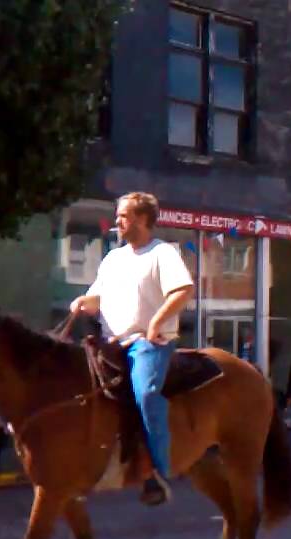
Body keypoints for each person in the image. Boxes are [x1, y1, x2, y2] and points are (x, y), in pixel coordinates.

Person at [69, 191, 194, 506]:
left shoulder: (162, 253)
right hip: (111, 342)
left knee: (146, 393)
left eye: (123, 216)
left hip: (148, 343)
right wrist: (83, 302)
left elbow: (183, 290)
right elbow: (97, 298)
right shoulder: (113, 258)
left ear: (140, 219)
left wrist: (156, 323)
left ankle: (160, 469)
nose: (117, 221)